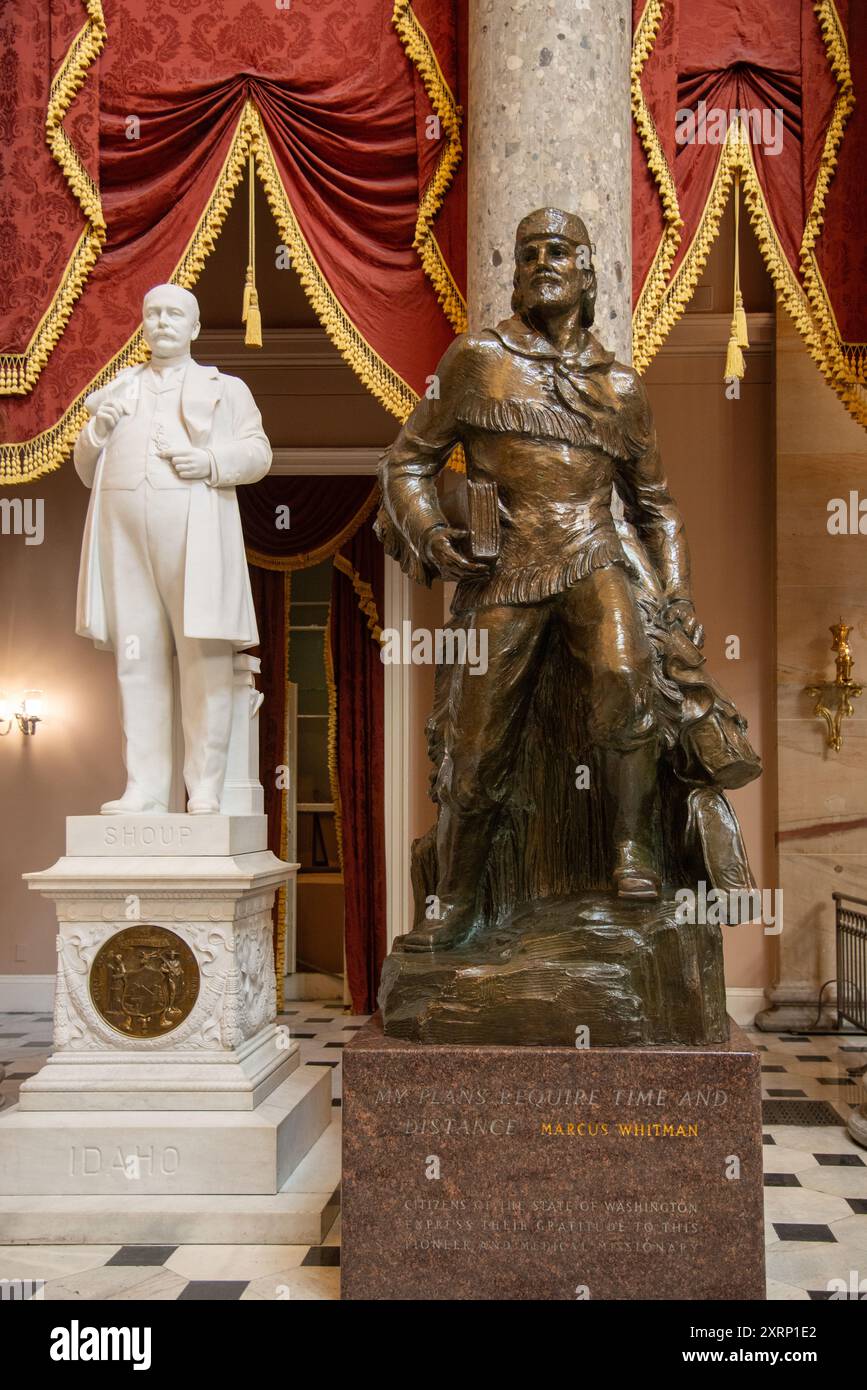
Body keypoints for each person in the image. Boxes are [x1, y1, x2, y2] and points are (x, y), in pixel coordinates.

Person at [74, 283, 271, 814]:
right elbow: (85, 467)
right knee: (137, 659)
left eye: (174, 314)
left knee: (202, 657)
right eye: (153, 313)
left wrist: (208, 462)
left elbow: (258, 452)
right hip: (124, 533)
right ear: (143, 323)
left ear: (195, 327)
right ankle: (145, 788)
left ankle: (202, 787)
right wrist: (96, 431)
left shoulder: (224, 388)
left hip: (193, 532)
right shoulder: (116, 390)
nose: (162, 322)